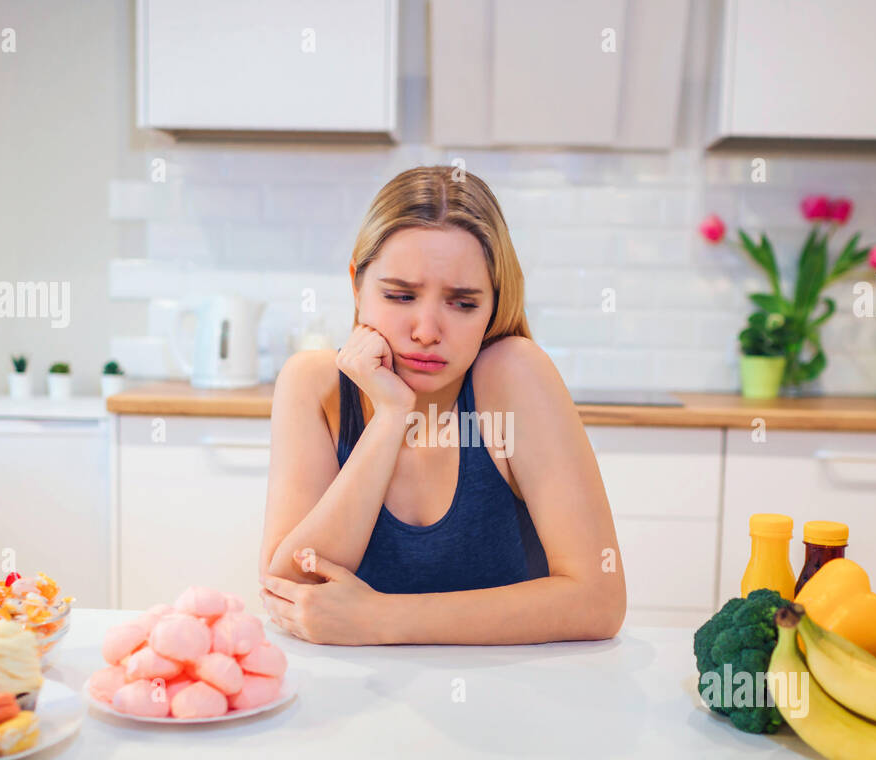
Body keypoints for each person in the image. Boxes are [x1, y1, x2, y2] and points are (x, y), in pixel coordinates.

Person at [258, 165, 625, 645]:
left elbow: (598, 600)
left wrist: (382, 619)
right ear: (356, 284)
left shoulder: (514, 375)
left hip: (513, 694)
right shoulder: (313, 385)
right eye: (400, 295)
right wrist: (390, 418)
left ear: (495, 302)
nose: (427, 330)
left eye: (463, 303)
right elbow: (289, 589)